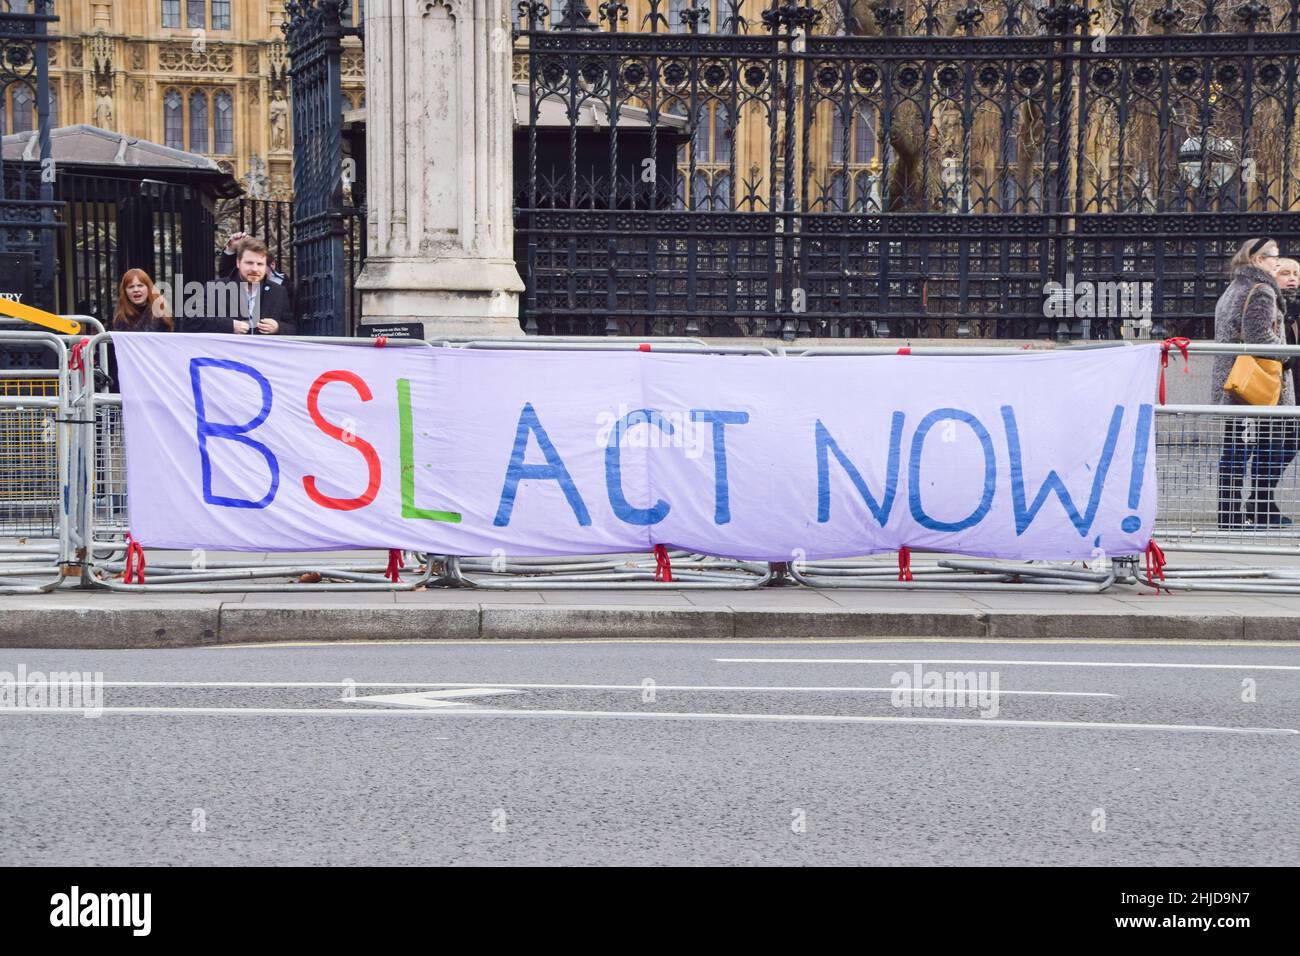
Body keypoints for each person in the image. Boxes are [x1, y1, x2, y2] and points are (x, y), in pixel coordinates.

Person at [1212, 237, 1296, 528]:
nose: (1278, 261)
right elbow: (1259, 336)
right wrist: (1288, 357)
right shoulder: (1261, 290)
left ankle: (1231, 513)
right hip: (1251, 387)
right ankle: (1234, 516)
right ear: (1259, 259)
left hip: (1234, 383)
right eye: (1274, 256)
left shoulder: (1234, 288)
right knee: (1243, 450)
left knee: (1237, 449)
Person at [186, 236, 296, 335]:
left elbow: (292, 328)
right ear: (238, 263)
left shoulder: (278, 291)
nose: (254, 269)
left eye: (260, 264)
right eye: (249, 263)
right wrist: (230, 326)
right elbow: (192, 320)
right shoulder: (215, 288)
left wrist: (278, 327)